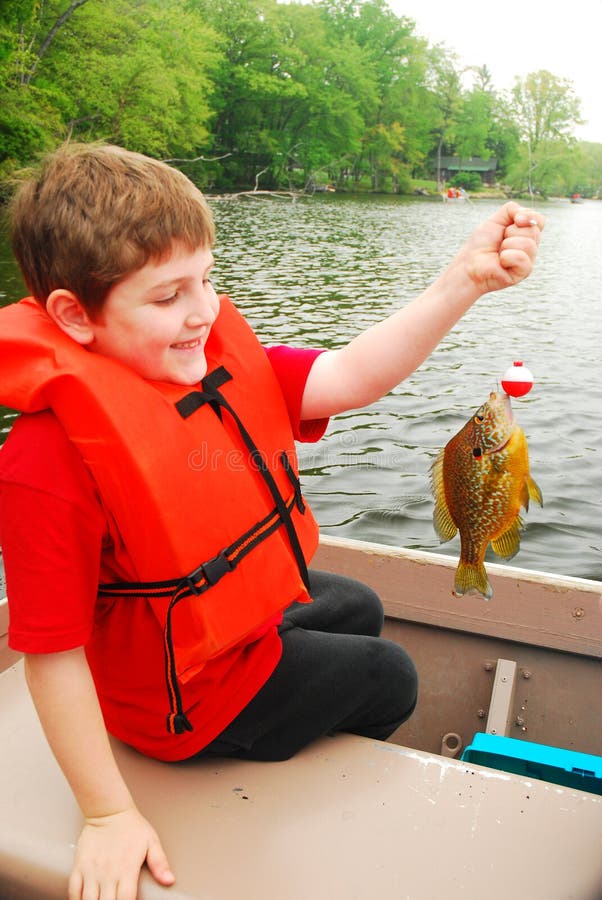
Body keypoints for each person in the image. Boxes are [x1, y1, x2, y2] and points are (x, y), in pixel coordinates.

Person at [0, 143, 544, 899]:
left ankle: (287, 704)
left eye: (208, 279)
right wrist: (106, 814)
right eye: (168, 297)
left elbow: (351, 376)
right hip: (175, 704)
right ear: (73, 314)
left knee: (359, 605)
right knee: (390, 678)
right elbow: (51, 654)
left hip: (222, 632)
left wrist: (464, 281)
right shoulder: (46, 461)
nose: (205, 311)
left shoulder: (205, 363)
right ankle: (287, 786)